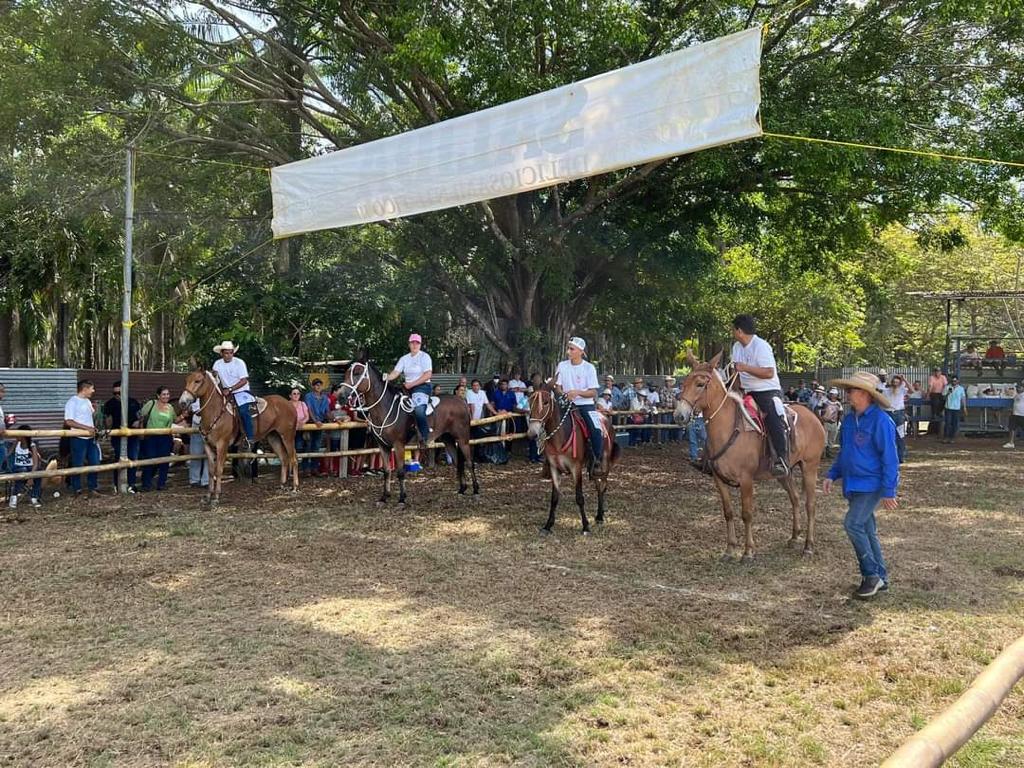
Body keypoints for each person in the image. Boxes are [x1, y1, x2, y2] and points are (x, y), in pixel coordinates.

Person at [823, 371, 899, 600]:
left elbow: (890, 458)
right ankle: (881, 578)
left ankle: (871, 575)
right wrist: (832, 474)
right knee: (866, 529)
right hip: (854, 484)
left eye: (852, 389)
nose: (848, 393)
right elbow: (845, 452)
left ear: (865, 394)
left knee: (852, 524)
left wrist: (888, 490)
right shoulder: (848, 420)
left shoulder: (881, 421)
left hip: (872, 484)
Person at [730, 315, 789, 476]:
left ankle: (781, 459)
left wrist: (746, 368)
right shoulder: (736, 347)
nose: (733, 333)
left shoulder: (761, 346)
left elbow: (769, 372)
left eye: (733, 329)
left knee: (773, 416)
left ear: (740, 331)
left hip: (767, 391)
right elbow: (736, 371)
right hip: (746, 392)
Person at [554, 337, 603, 464]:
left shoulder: (589, 368)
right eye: (568, 348)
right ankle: (548, 458)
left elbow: (593, 392)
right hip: (565, 404)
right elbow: (557, 387)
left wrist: (577, 392)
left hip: (585, 405)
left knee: (596, 430)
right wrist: (564, 394)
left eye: (572, 349)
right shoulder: (562, 366)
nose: (568, 352)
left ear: (581, 351)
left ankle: (598, 460)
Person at [386, 333, 433, 448]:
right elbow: (396, 372)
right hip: (407, 387)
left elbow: (427, 375)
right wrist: (386, 378)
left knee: (419, 410)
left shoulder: (424, 357)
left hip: (422, 386)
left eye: (417, 343)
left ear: (420, 344)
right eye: (412, 342)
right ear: (409, 344)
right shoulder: (404, 359)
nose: (415, 345)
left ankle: (425, 436)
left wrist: (412, 384)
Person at [212, 341, 256, 448]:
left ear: (233, 353)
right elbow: (215, 380)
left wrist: (230, 389)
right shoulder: (217, 364)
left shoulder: (239, 363)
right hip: (225, 392)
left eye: (230, 353)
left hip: (241, 391)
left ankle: (249, 438)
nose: (228, 355)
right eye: (226, 353)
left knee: (243, 411)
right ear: (221, 353)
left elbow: (244, 380)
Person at [64, 379, 102, 498]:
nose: (93, 391)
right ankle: (77, 489)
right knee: (78, 464)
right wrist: (86, 428)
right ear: (84, 389)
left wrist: (96, 411)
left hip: (91, 438)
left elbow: (90, 417)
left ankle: (92, 487)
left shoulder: (87, 402)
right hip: (78, 438)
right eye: (92, 388)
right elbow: (69, 421)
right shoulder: (72, 402)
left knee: (95, 461)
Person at [103, 383, 142, 492]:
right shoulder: (109, 404)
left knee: (133, 458)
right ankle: (117, 484)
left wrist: (138, 423)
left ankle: (131, 484)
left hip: (132, 436)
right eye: (114, 393)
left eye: (119, 393)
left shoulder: (134, 402)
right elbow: (107, 421)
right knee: (119, 458)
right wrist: (108, 427)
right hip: (117, 436)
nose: (117, 395)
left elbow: (140, 417)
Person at [139, 386, 176, 492]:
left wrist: (183, 415)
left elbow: (175, 419)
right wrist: (141, 431)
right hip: (151, 436)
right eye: (164, 394)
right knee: (150, 460)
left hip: (165, 437)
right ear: (158, 395)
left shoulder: (170, 407)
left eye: (168, 394)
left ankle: (161, 484)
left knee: (165, 461)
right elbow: (141, 416)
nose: (166, 396)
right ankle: (146, 484)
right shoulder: (151, 404)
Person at [7, 426, 43, 509]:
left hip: (30, 468)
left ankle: (34, 497)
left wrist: (31, 477)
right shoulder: (17, 443)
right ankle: (14, 496)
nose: (16, 436)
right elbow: (9, 454)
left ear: (23, 436)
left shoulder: (32, 446)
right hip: (17, 467)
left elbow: (35, 464)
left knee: (38, 473)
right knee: (23, 470)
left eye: (18, 434)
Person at [303, 379, 330, 476]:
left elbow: (327, 411)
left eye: (320, 385)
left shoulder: (325, 398)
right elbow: (308, 409)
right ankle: (306, 469)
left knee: (317, 446)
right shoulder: (308, 396)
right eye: (316, 385)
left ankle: (314, 468)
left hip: (320, 423)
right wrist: (315, 421)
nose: (318, 386)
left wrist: (336, 418)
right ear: (313, 386)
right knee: (308, 445)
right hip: (310, 423)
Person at [884, 374, 909, 463]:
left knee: (900, 435)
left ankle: (900, 456)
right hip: (888, 413)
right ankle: (889, 456)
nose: (895, 384)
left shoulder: (902, 390)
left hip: (899, 414)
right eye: (894, 382)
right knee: (888, 435)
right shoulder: (886, 391)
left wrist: (904, 379)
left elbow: (912, 391)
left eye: (897, 382)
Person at [186, 400, 209, 488]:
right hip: (197, 423)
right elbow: (195, 410)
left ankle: (206, 480)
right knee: (196, 452)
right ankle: (194, 480)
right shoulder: (196, 396)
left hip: (211, 425)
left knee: (209, 454)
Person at [289, 387, 311, 476]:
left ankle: (304, 468)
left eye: (298, 394)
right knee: (293, 449)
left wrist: (302, 422)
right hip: (291, 430)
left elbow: (307, 416)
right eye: (294, 393)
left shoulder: (303, 404)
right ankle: (292, 470)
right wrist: (295, 422)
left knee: (305, 447)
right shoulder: (287, 404)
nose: (296, 395)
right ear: (290, 395)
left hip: (302, 429)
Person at [942, 375, 967, 444]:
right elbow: (943, 397)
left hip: (956, 408)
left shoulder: (961, 389)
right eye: (953, 381)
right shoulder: (947, 387)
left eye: (955, 381)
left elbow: (963, 398)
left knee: (955, 424)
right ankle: (945, 437)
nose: (954, 382)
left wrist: (964, 407)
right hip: (948, 407)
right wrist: (948, 393)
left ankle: (952, 437)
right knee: (947, 423)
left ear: (958, 381)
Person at [819, 387, 843, 458]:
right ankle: (823, 453)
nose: (833, 396)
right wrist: (821, 418)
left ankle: (828, 452)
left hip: (834, 422)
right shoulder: (824, 402)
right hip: (826, 422)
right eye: (832, 394)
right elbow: (817, 408)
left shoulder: (838, 404)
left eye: (834, 394)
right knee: (825, 438)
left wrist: (839, 421)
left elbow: (840, 412)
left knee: (831, 438)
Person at [927, 367, 948, 436]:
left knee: (943, 401)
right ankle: (934, 413)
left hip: (941, 393)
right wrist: (928, 394)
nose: (937, 373)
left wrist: (945, 392)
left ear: (940, 372)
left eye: (938, 371)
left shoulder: (943, 377)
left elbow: (945, 385)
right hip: (934, 393)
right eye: (936, 371)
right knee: (935, 401)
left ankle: (939, 412)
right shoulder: (931, 377)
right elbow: (930, 386)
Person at [1003, 382, 1024, 449]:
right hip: (1015, 414)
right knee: (1012, 428)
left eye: (1019, 387)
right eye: (1017, 387)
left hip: (1022, 415)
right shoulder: (1016, 395)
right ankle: (1011, 442)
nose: (1018, 388)